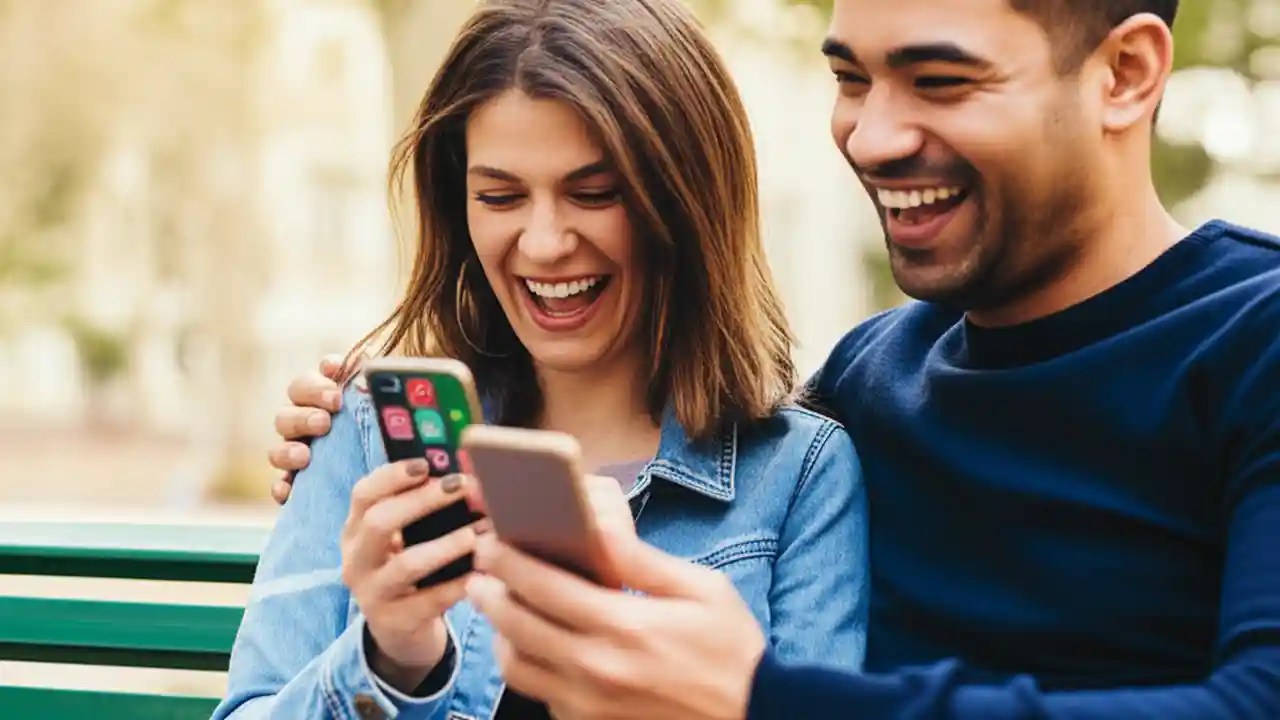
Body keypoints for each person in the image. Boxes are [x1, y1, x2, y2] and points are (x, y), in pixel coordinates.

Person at [275, 0, 1280, 717]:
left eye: (939, 80)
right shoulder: (871, 380)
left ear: (1125, 74)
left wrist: (757, 698)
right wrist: (340, 437)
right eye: (849, 79)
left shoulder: (1253, 341)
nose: (870, 135)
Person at [218, 1, 870, 719]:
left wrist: (622, 605)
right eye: (499, 196)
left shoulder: (799, 475)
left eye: (593, 194)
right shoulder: (367, 432)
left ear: (685, 203)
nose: (544, 243)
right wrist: (392, 656)